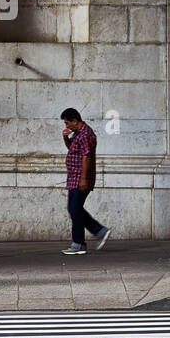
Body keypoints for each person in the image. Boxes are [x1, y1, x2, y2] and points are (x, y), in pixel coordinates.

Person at [60, 107, 111, 255]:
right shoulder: (78, 134)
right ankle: (89, 237)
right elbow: (73, 150)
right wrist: (65, 138)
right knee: (74, 209)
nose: (66, 126)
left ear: (75, 121)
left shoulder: (86, 134)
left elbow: (87, 156)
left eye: (67, 123)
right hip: (74, 177)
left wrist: (83, 179)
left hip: (79, 178)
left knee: (75, 209)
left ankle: (82, 241)